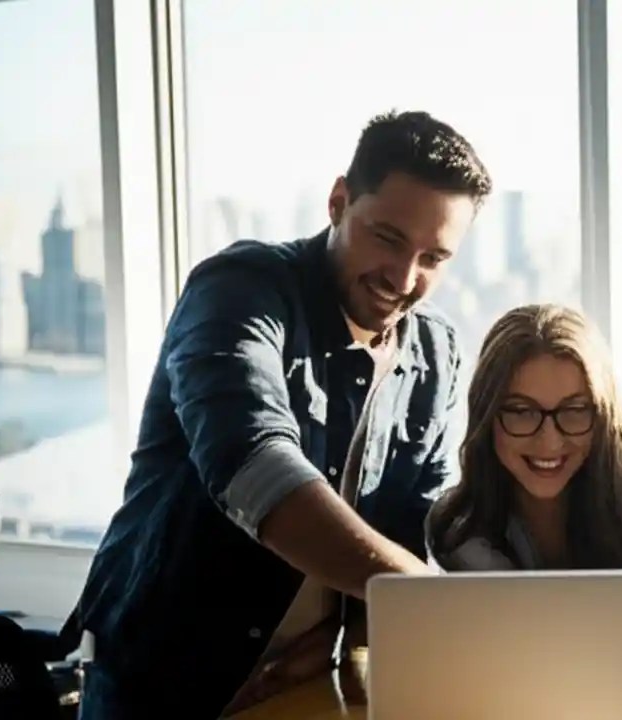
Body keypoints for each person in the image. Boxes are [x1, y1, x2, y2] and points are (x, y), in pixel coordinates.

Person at [65, 110, 493, 718]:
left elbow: (408, 523)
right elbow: (254, 466)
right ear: (339, 201)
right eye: (389, 238)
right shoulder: (239, 289)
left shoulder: (436, 350)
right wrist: (427, 601)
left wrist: (354, 653)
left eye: (434, 258)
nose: (403, 278)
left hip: (302, 685)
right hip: (162, 679)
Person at [426, 304, 622, 571]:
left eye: (574, 410)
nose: (550, 442)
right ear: (487, 416)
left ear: (603, 414)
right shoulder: (459, 526)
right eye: (522, 411)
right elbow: (516, 613)